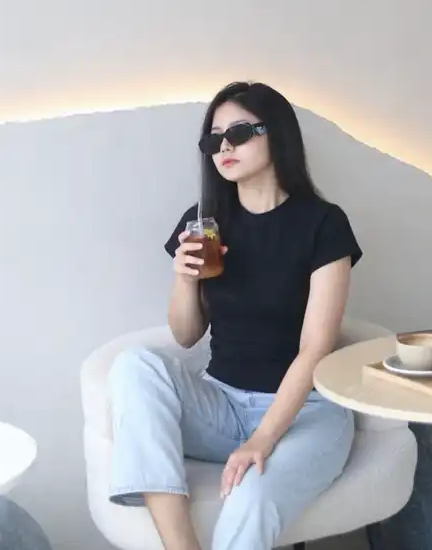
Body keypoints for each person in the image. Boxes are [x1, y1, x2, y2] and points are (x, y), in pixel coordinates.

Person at [108, 81, 362, 550]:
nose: (224, 147)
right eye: (213, 139)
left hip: (305, 413)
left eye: (240, 132)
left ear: (277, 134)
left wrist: (262, 439)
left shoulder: (323, 224)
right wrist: (184, 278)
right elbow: (186, 335)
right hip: (221, 405)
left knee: (252, 497)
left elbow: (315, 349)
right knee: (133, 365)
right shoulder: (203, 222)